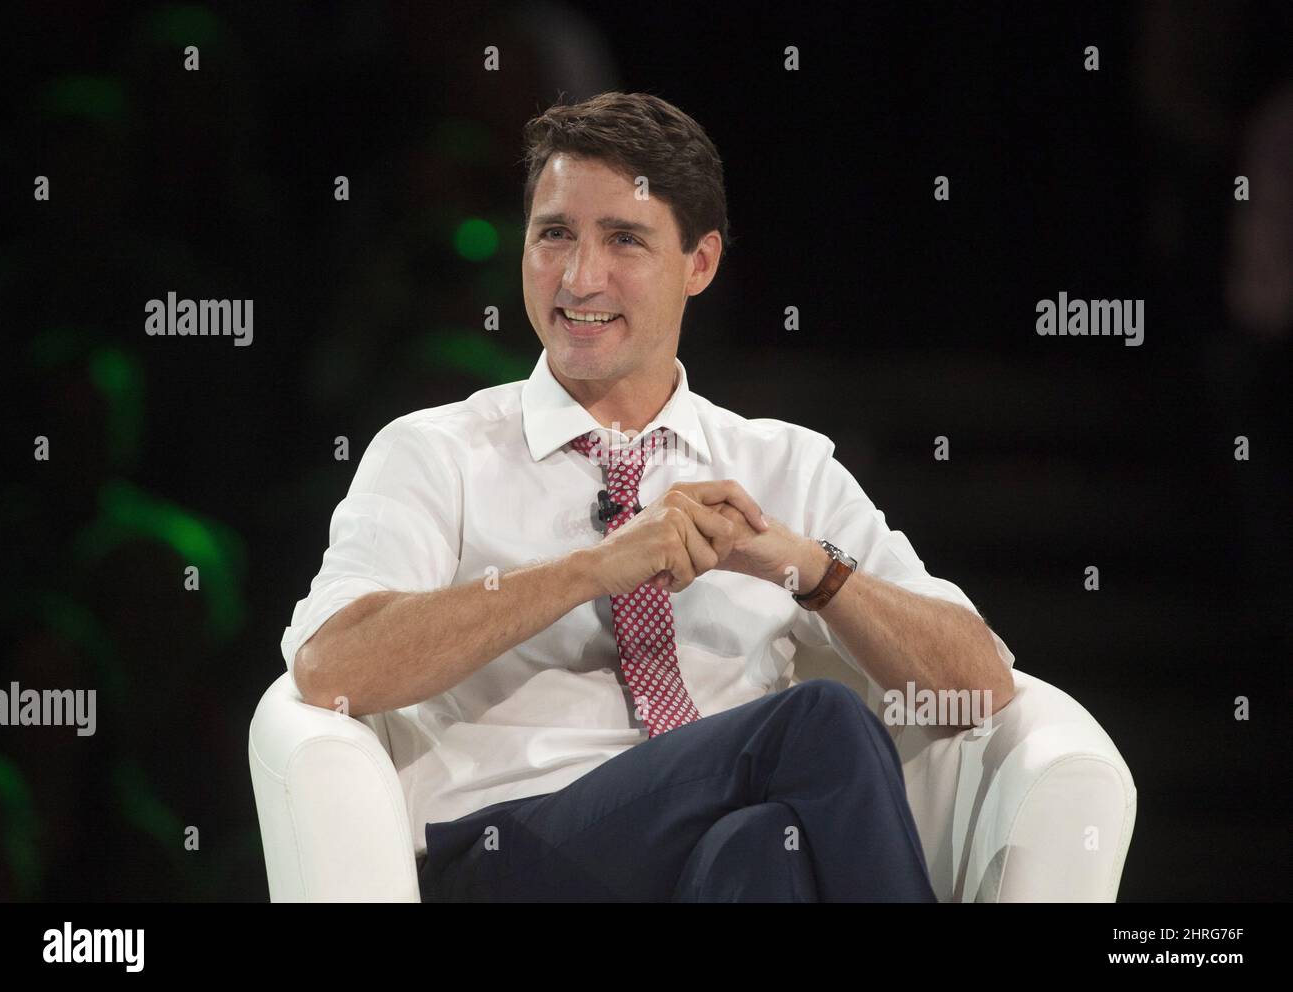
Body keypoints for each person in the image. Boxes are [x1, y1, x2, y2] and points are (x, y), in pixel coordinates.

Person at [280, 91, 1016, 902]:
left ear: (698, 264)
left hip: (707, 857)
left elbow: (977, 687)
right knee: (820, 723)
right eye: (553, 234)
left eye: (622, 240)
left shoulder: (784, 467)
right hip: (509, 859)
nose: (578, 277)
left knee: (765, 847)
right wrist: (593, 570)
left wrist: (811, 570)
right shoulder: (435, 452)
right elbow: (330, 668)